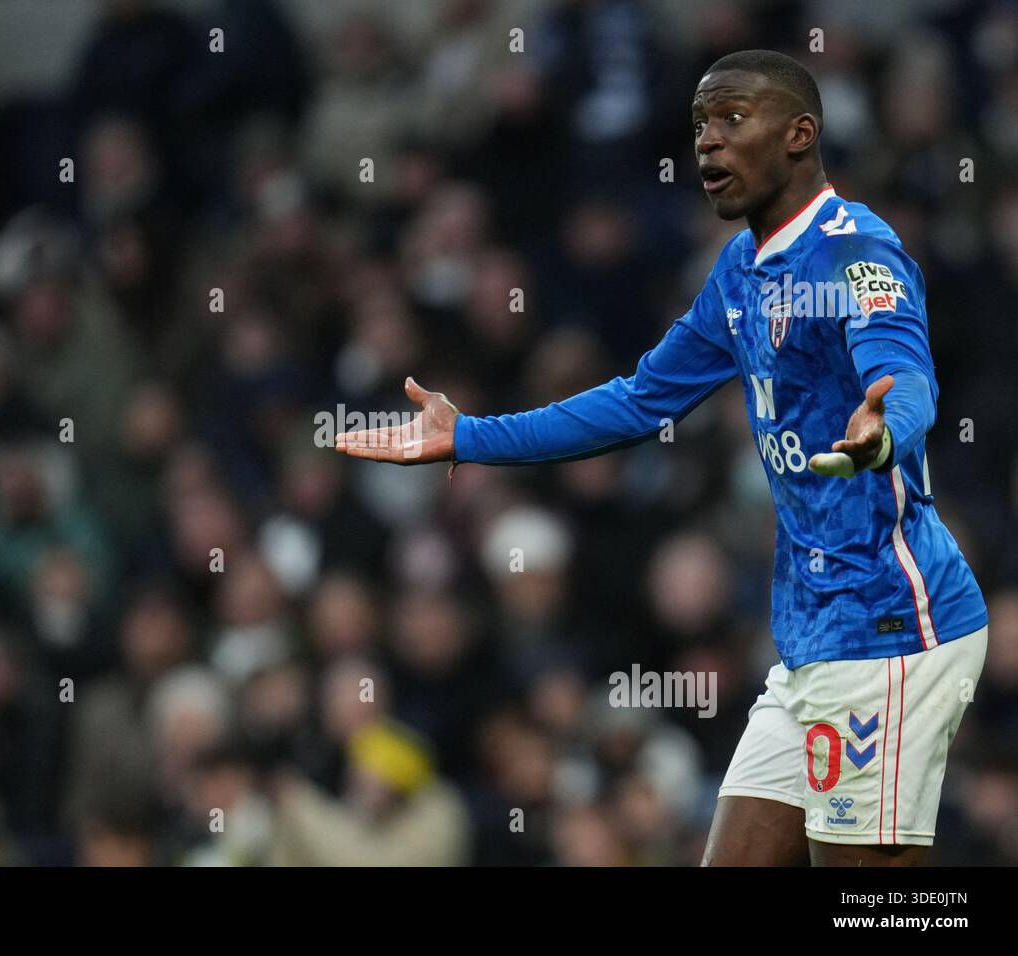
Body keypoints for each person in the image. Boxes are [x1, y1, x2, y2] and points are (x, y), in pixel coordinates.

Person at [333, 49, 988, 867]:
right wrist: (470, 436)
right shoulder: (741, 271)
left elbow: (905, 376)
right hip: (815, 637)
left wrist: (885, 429)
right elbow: (640, 401)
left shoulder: (853, 251)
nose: (707, 145)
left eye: (732, 120)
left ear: (800, 134)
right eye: (699, 126)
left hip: (895, 628)